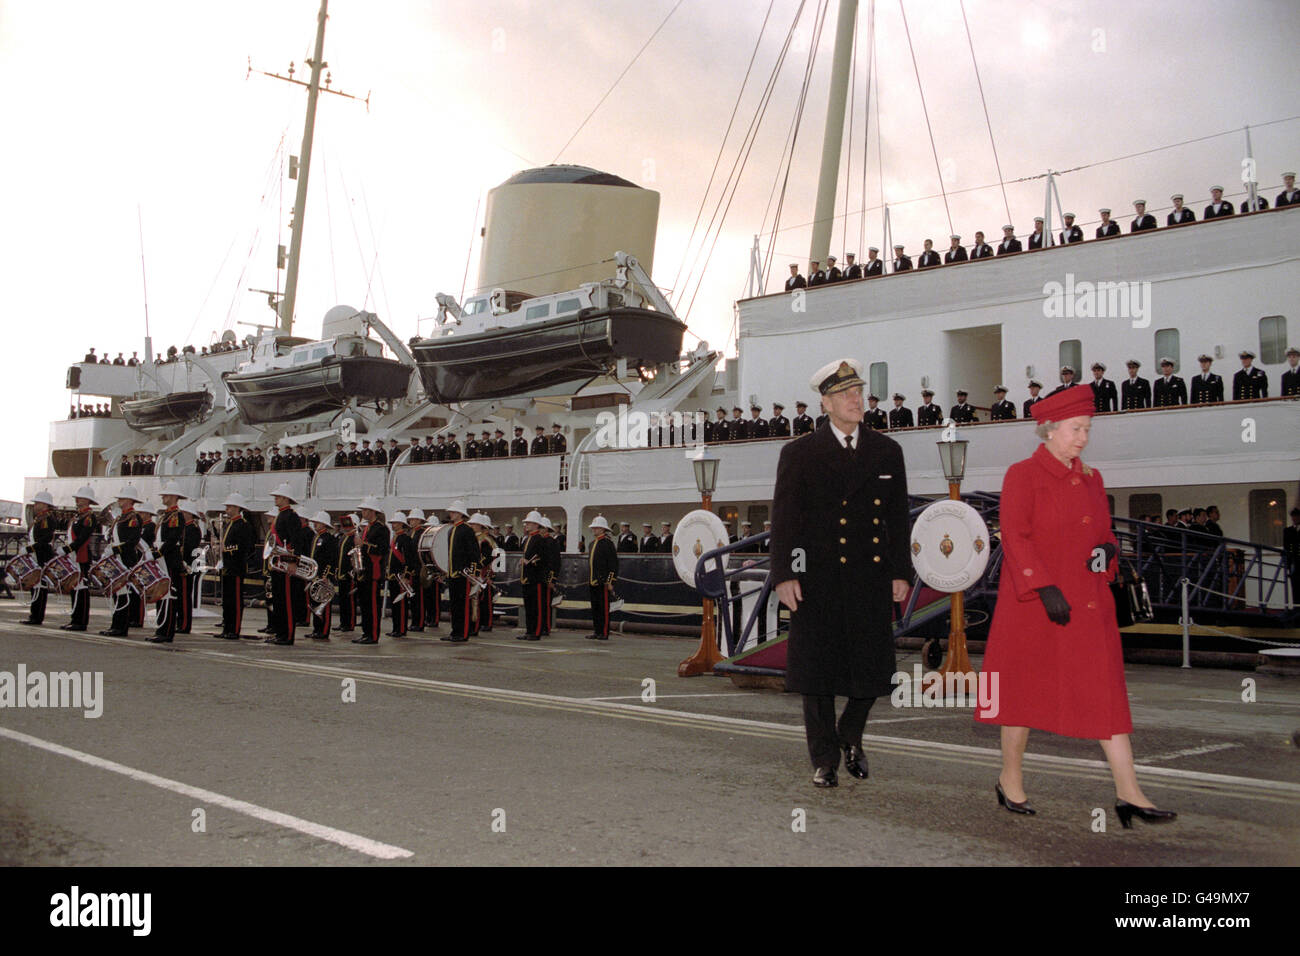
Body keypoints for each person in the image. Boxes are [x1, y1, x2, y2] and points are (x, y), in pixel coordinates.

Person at [975, 386, 1176, 828]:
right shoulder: (1021, 475)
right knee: (1021, 697)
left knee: (1103, 693)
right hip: (1036, 607)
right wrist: (1043, 588)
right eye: (1076, 428)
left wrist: (1105, 553)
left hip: (1086, 605)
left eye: (1087, 429)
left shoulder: (1092, 477)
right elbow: (1015, 536)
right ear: (1049, 430)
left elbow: (1104, 534)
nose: (1083, 437)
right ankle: (1010, 780)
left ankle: (1128, 791)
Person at [769, 358, 911, 788]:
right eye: (846, 394)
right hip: (818, 579)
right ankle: (825, 759)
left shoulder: (887, 451)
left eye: (859, 392)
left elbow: (897, 519)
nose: (857, 399)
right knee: (817, 675)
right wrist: (786, 575)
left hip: (869, 577)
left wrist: (900, 570)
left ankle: (850, 732)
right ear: (826, 403)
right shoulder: (799, 454)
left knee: (872, 669)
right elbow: (786, 521)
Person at [213, 492, 256, 639]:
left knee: (235, 600)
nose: (227, 509)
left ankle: (234, 629)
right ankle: (227, 627)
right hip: (227, 566)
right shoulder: (229, 524)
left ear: (237, 508)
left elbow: (245, 547)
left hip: (236, 567)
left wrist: (225, 549)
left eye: (230, 506)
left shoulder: (243, 525)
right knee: (227, 600)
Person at [265, 484, 302, 646]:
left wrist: (293, 561)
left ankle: (287, 635)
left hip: (286, 563)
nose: (276, 498)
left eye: (278, 496)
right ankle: (280, 633)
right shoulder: (281, 515)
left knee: (286, 601)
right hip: (278, 562)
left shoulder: (291, 516)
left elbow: (296, 540)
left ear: (286, 499)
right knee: (279, 600)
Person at [62, 486, 99, 631]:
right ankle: (75, 619)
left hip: (81, 556)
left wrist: (68, 549)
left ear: (87, 500)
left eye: (80, 498)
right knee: (74, 587)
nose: (77, 500)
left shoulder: (89, 517)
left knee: (81, 588)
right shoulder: (78, 516)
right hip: (73, 555)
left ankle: (81, 621)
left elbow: (83, 538)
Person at [442, 500, 480, 643]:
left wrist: (473, 572)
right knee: (455, 606)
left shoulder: (466, 530)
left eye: (453, 512)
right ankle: (455, 631)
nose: (451, 514)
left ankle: (463, 633)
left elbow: (474, 553)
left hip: (463, 574)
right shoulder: (452, 530)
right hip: (453, 573)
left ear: (460, 514)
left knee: (463, 605)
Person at [354, 496, 389, 644]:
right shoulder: (367, 528)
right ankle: (366, 632)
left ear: (372, 511)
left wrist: (363, 544)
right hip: (364, 570)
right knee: (365, 604)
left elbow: (381, 550)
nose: (363, 512)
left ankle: (373, 635)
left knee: (373, 605)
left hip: (373, 572)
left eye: (365, 510)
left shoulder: (381, 529)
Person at [20, 491, 58, 626]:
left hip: (41, 555)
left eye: (37, 503)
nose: (35, 505)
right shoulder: (40, 518)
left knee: (40, 586)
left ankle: (37, 616)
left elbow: (45, 538)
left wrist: (30, 549)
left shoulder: (47, 519)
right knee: (34, 585)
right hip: (35, 555)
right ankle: (34, 614)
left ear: (44, 505)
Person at [306, 511, 338, 640]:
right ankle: (316, 629)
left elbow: (332, 559)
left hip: (323, 577)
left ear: (324, 524)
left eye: (317, 522)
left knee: (323, 605)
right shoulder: (316, 538)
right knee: (315, 604)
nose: (315, 524)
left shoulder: (328, 539)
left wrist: (327, 575)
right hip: (315, 575)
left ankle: (324, 631)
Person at [586, 516, 618, 640]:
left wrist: (610, 581)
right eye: (593, 527)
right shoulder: (592, 544)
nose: (594, 529)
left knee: (604, 608)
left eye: (597, 527)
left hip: (603, 581)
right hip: (593, 580)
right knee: (595, 608)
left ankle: (604, 632)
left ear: (603, 529)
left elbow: (613, 565)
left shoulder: (607, 544)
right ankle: (597, 630)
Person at [519, 511, 547, 640]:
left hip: (536, 578)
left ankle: (536, 632)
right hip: (527, 578)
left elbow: (543, 559)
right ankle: (529, 630)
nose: (526, 525)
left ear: (536, 524)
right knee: (529, 606)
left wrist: (529, 562)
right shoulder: (528, 539)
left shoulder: (539, 539)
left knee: (536, 607)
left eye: (529, 522)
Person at [385, 513, 413, 638]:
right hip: (393, 576)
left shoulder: (405, 539)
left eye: (395, 523)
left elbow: (408, 559)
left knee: (401, 605)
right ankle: (395, 628)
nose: (393, 525)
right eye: (392, 523)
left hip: (400, 577)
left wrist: (406, 575)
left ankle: (401, 629)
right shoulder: (394, 538)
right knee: (394, 604)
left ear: (401, 524)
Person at [405, 509, 428, 632]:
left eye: (413, 519)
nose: (411, 521)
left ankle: (419, 622)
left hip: (419, 569)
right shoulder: (411, 533)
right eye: (410, 519)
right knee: (413, 598)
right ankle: (414, 621)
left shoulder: (422, 533)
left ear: (419, 520)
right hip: (412, 569)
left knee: (419, 599)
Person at [1284, 508, 1300, 606]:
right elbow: (1286, 546)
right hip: (1294, 562)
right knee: (1295, 585)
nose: (1295, 518)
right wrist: (1288, 562)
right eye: (1293, 516)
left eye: (1297, 516)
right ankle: (1296, 606)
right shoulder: (1288, 530)